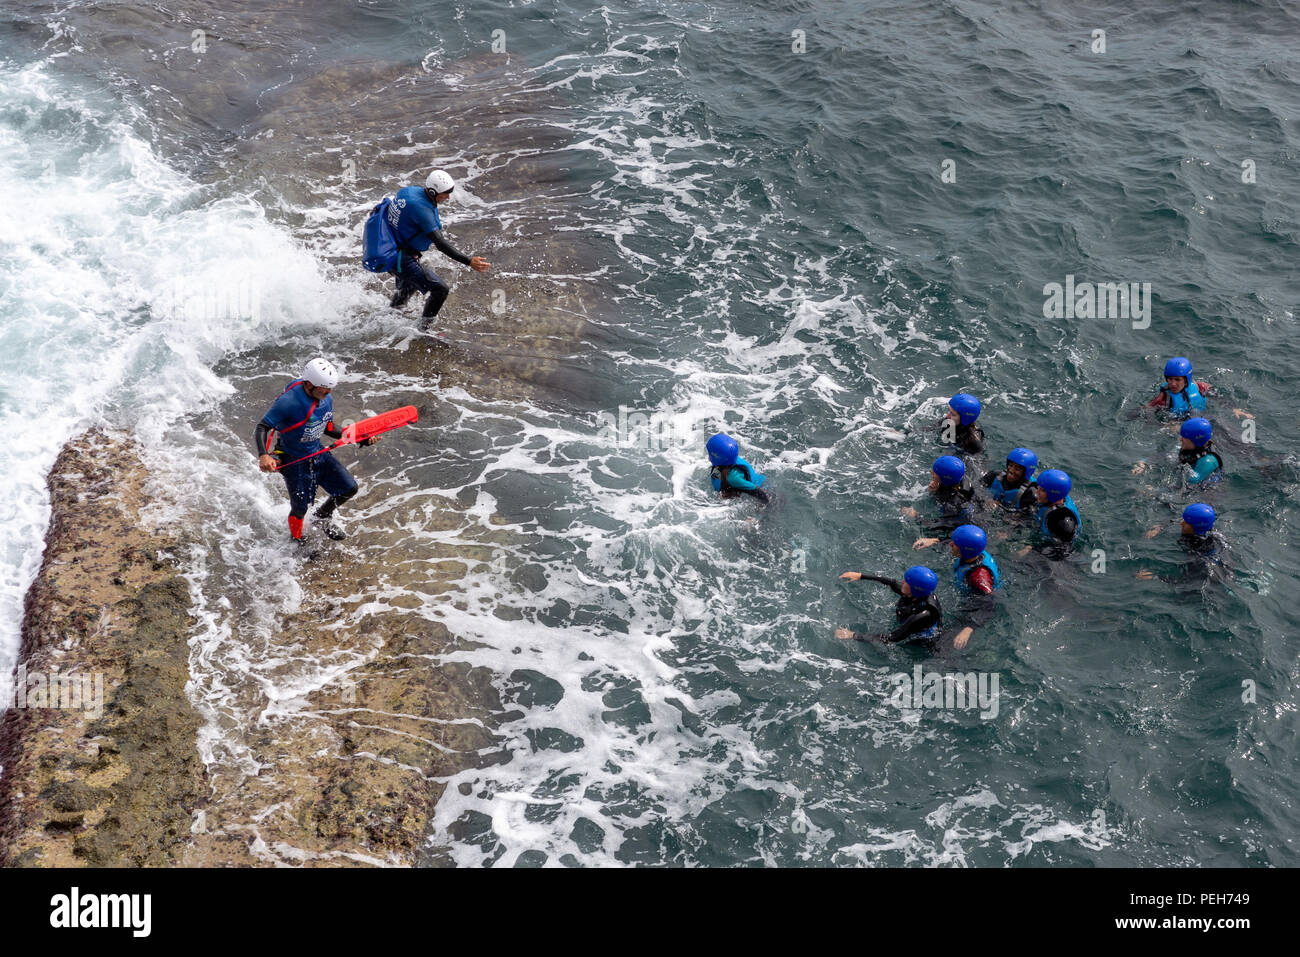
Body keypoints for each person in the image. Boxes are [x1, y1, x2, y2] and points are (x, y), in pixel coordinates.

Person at [254, 358, 378, 544]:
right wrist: (264, 455)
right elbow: (262, 427)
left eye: (330, 388)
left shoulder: (325, 397)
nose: (328, 392)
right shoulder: (289, 402)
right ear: (309, 384)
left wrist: (360, 438)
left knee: (348, 488)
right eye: (324, 388)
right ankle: (296, 540)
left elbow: (328, 428)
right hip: (292, 459)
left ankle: (322, 517)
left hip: (316, 453)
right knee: (300, 509)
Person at [385, 168, 491, 330]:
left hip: (391, 247)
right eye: (445, 194)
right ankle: (424, 330)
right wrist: (469, 261)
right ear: (433, 192)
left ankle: (391, 314)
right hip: (399, 257)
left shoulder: (409, 191)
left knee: (411, 283)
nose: (448, 197)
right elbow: (440, 244)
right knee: (441, 290)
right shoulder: (422, 210)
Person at [834, 565, 941, 644]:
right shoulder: (918, 593)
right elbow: (891, 583)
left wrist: (852, 635)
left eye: (907, 581)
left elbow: (890, 638)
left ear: (914, 588)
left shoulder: (922, 616)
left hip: (922, 642)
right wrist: (861, 576)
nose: (903, 581)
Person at [1137, 504, 1227, 582]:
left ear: (1196, 527)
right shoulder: (1205, 527)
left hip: (1213, 575)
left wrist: (1155, 577)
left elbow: (1190, 579)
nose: (1181, 523)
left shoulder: (1198, 547)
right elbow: (1176, 519)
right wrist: (1159, 527)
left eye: (1186, 522)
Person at [947, 524, 1001, 648]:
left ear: (965, 550)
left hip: (976, 603)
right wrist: (934, 540)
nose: (950, 544)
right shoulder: (976, 552)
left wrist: (968, 628)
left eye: (954, 544)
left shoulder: (978, 577)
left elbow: (989, 605)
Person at [909, 455, 976, 548]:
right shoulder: (961, 482)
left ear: (944, 481)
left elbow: (937, 527)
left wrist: (916, 516)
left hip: (962, 526)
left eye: (934, 477)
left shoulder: (952, 503)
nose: (931, 481)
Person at [706, 433, 769, 504]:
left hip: (760, 489)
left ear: (716, 459)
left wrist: (765, 505)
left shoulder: (733, 478)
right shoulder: (730, 458)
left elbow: (761, 494)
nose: (708, 456)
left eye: (709, 454)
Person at [1177, 417, 1224, 486]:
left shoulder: (1208, 461)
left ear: (1196, 442)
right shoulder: (1191, 448)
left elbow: (1191, 483)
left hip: (1208, 491)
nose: (1181, 439)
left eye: (1184, 438)